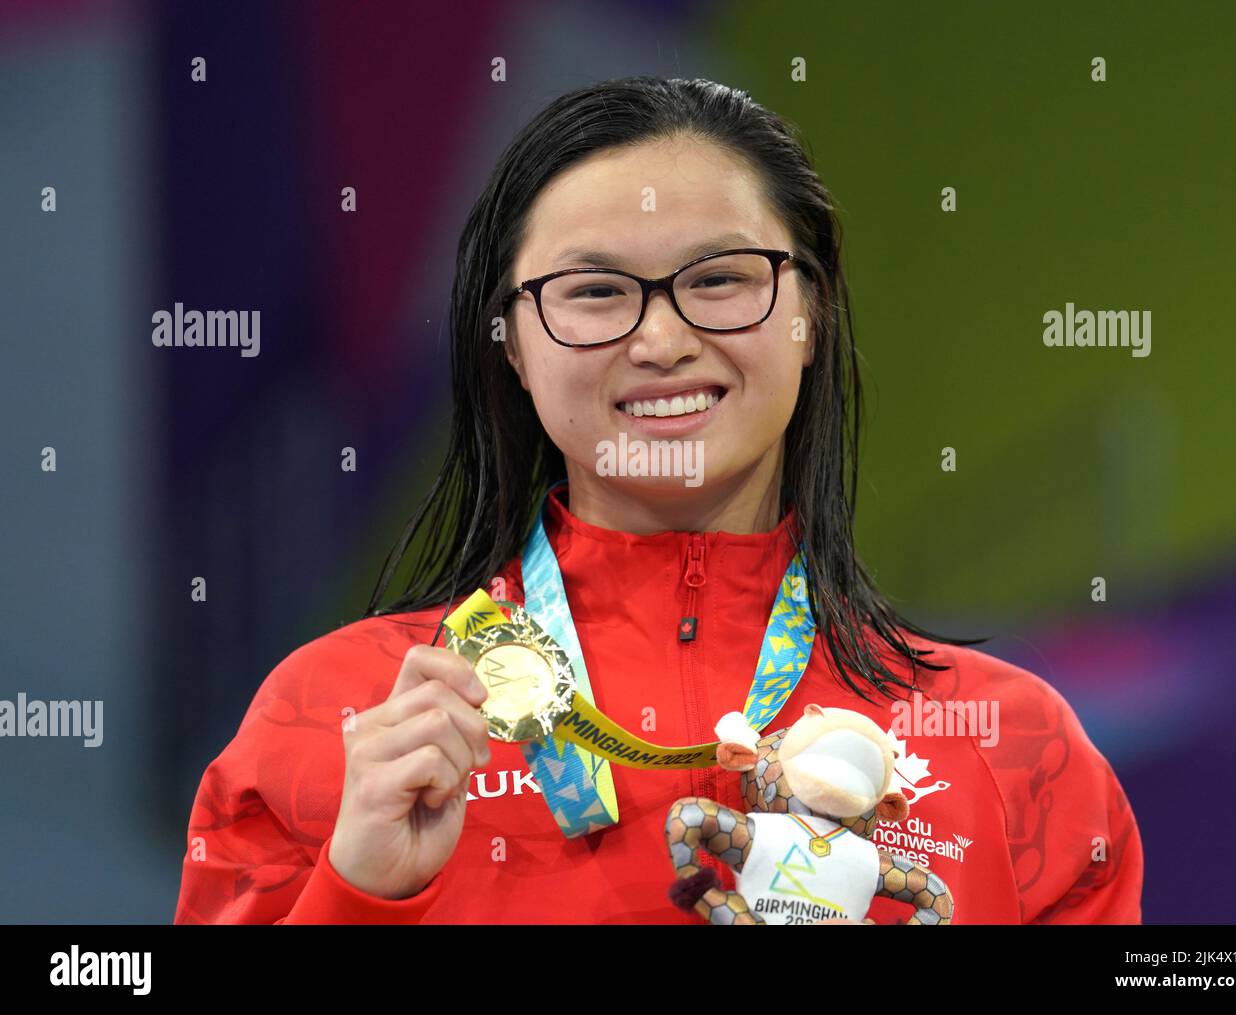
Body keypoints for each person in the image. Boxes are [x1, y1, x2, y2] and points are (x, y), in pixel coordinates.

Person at [174, 76, 1143, 925]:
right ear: (509, 343)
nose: (662, 339)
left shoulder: (1007, 742)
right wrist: (358, 898)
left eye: (718, 279)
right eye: (595, 291)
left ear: (810, 312)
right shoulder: (347, 713)